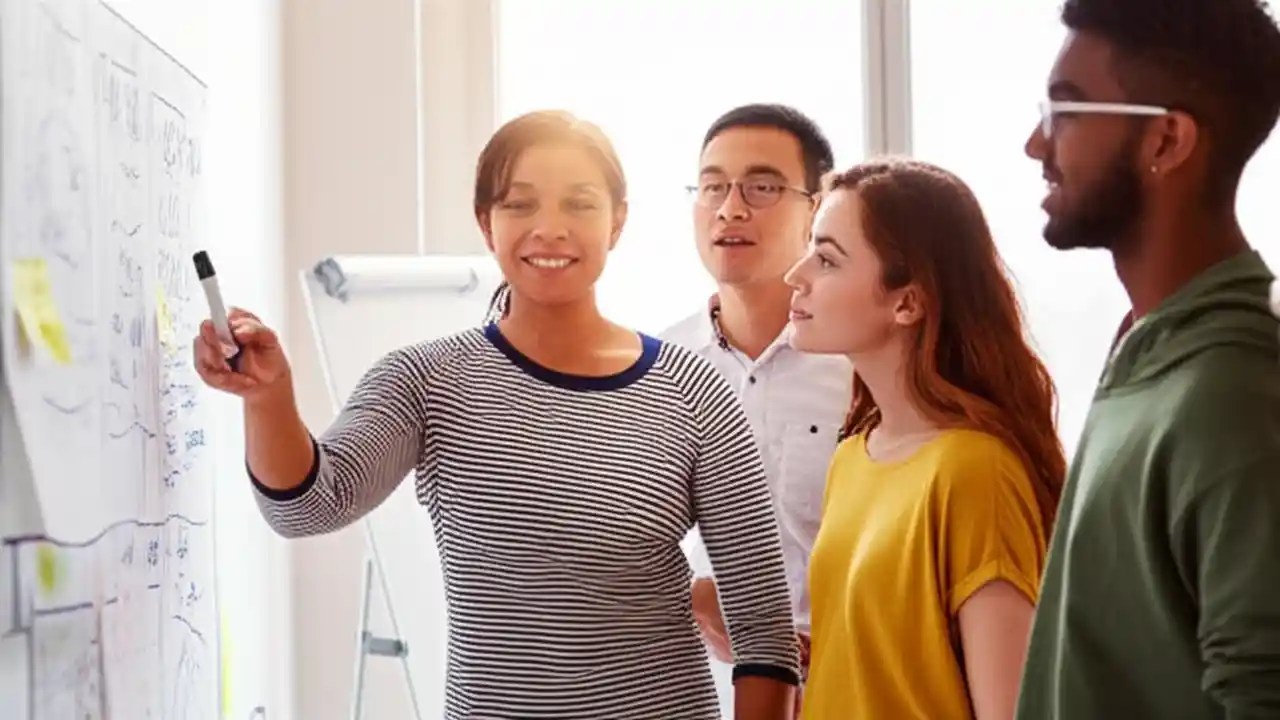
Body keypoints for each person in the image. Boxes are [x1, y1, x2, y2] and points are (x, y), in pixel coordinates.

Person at [193, 110, 800, 719]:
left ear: (617, 221)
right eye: (520, 205)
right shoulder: (427, 380)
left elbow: (764, 629)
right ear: (487, 224)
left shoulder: (690, 386)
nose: (550, 229)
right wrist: (268, 397)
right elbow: (307, 507)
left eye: (580, 205)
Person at [1017, 1, 1280, 717]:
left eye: (1065, 110)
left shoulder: (1231, 395)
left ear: (1166, 139)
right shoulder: (1148, 348)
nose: (1036, 145)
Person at [785, 158, 1067, 720]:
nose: (796, 274)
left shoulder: (975, 472)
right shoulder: (852, 457)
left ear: (908, 301)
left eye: (827, 259)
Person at [661, 104, 852, 713]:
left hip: (854, 682)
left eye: (762, 186)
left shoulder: (864, 365)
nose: (731, 208)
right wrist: (691, 595)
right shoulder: (656, 369)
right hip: (704, 693)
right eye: (713, 186)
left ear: (817, 206)